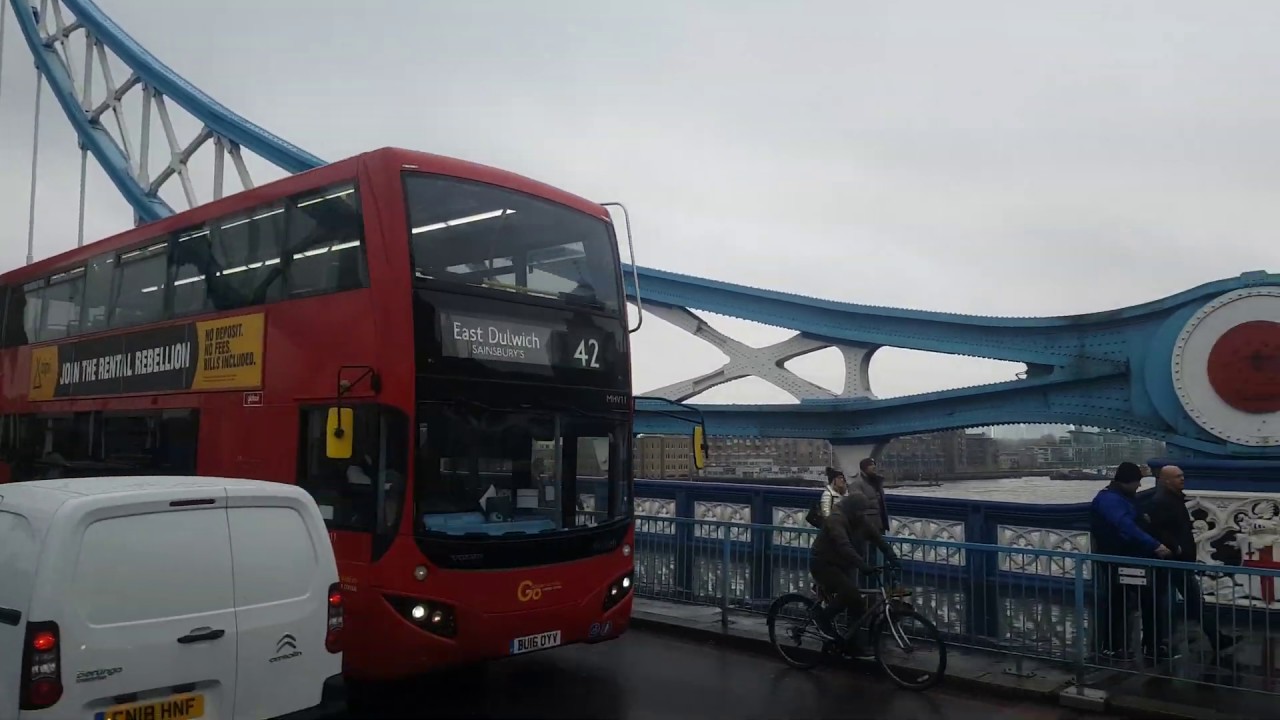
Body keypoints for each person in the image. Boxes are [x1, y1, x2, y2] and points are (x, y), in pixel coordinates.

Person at [1141, 464, 1238, 657]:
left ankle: (1215, 638)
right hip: (1172, 560)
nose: (1182, 479)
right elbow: (1157, 529)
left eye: (1182, 475)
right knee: (1167, 601)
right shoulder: (1161, 501)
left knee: (1186, 601)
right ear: (1166, 480)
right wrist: (1175, 547)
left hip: (1179, 559)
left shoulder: (1172, 499)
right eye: (1178, 476)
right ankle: (1154, 644)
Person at [1089, 461, 1171, 660]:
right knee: (1128, 602)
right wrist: (1155, 545)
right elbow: (1125, 526)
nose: (1139, 486)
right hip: (1120, 559)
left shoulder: (1118, 497)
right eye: (1137, 481)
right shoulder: (1111, 500)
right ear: (1128, 481)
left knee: (1128, 601)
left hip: (1128, 557)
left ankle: (1135, 646)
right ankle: (1123, 647)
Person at [810, 489, 901, 654]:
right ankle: (822, 618)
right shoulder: (836, 519)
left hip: (844, 565)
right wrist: (862, 565)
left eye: (864, 511)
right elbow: (844, 546)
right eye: (859, 511)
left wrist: (892, 557)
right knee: (850, 592)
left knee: (857, 604)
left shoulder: (860, 520)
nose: (862, 515)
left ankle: (851, 644)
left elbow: (878, 539)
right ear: (851, 509)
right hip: (824, 564)